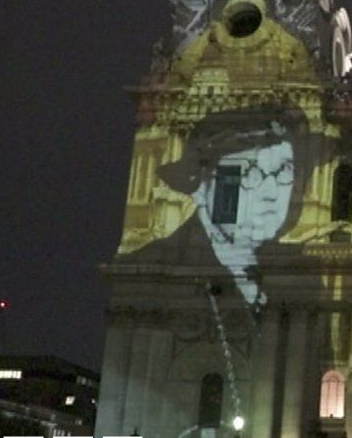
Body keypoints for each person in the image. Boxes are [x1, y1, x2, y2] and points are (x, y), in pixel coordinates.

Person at [125, 105, 310, 311]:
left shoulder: (301, 273)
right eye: (248, 171)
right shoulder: (147, 273)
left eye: (283, 170)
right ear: (201, 187)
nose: (270, 191)